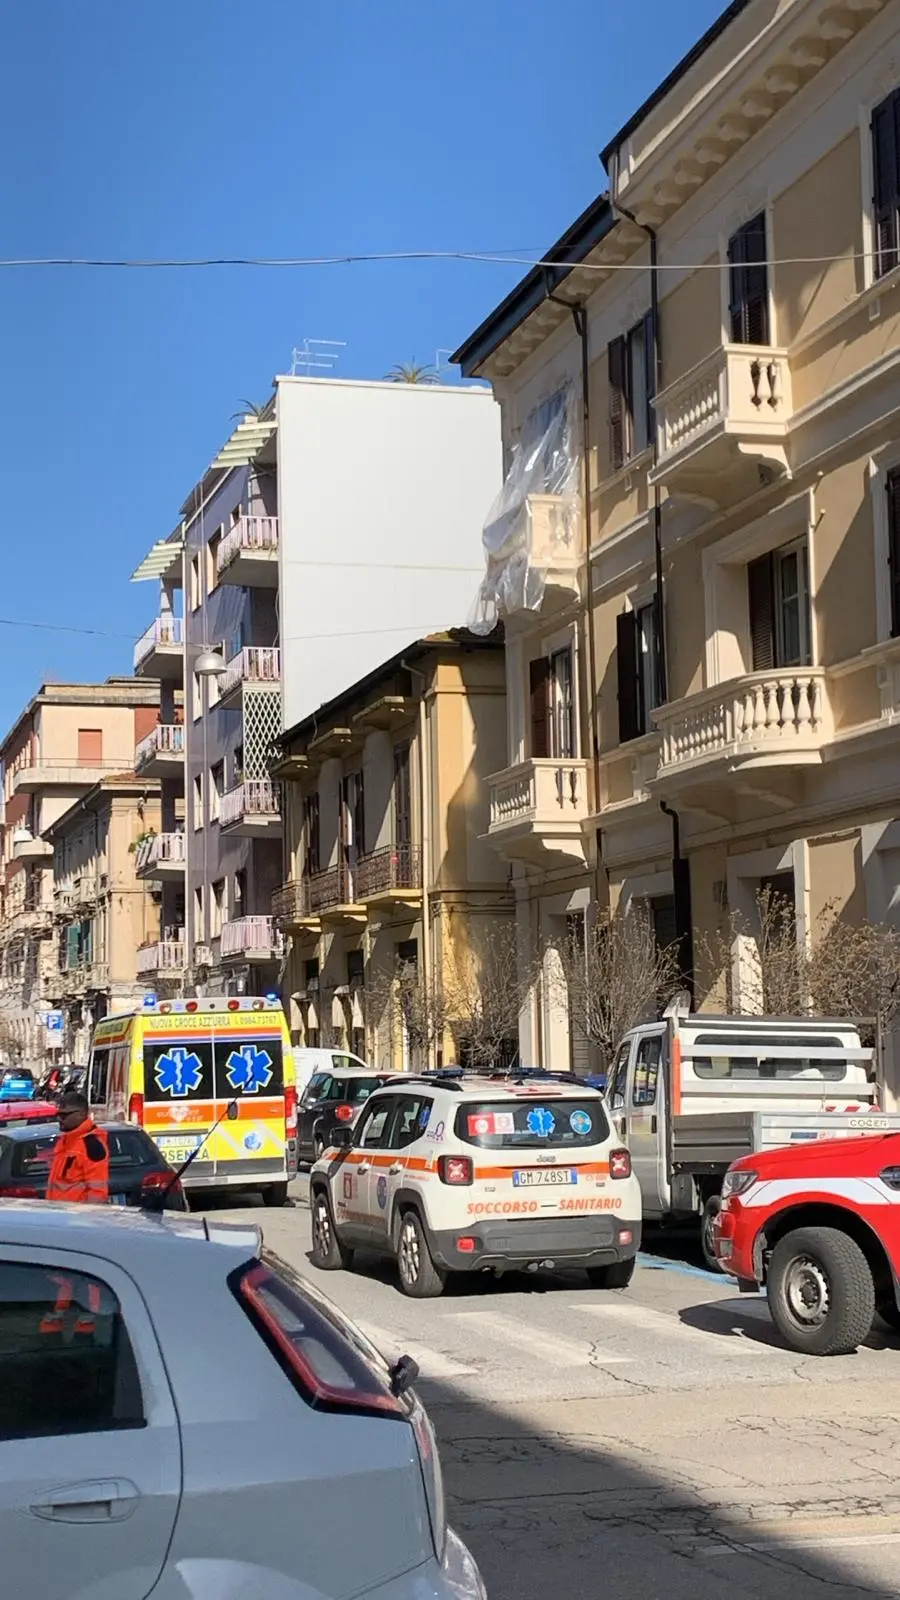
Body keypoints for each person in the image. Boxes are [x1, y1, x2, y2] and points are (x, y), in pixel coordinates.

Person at [46, 1091, 109, 1204]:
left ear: (81, 1114)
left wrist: (84, 1219)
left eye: (64, 1115)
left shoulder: (91, 1145)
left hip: (75, 1218)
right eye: (59, 1115)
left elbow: (98, 1193)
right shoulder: (65, 1140)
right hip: (58, 1215)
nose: (60, 1119)